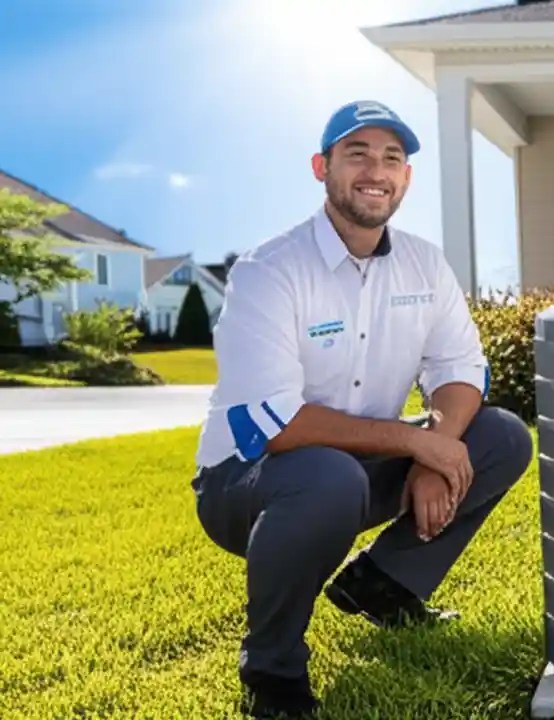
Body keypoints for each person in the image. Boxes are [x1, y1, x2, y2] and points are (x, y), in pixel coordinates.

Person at [188, 100, 533, 719]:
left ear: (406, 177)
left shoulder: (425, 263)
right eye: (357, 154)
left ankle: (384, 584)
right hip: (245, 483)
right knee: (329, 474)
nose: (376, 171)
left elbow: (459, 369)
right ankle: (272, 668)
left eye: (391, 158)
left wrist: (435, 450)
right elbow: (275, 423)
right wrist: (418, 443)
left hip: (355, 469)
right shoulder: (269, 270)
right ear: (322, 167)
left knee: (501, 436)